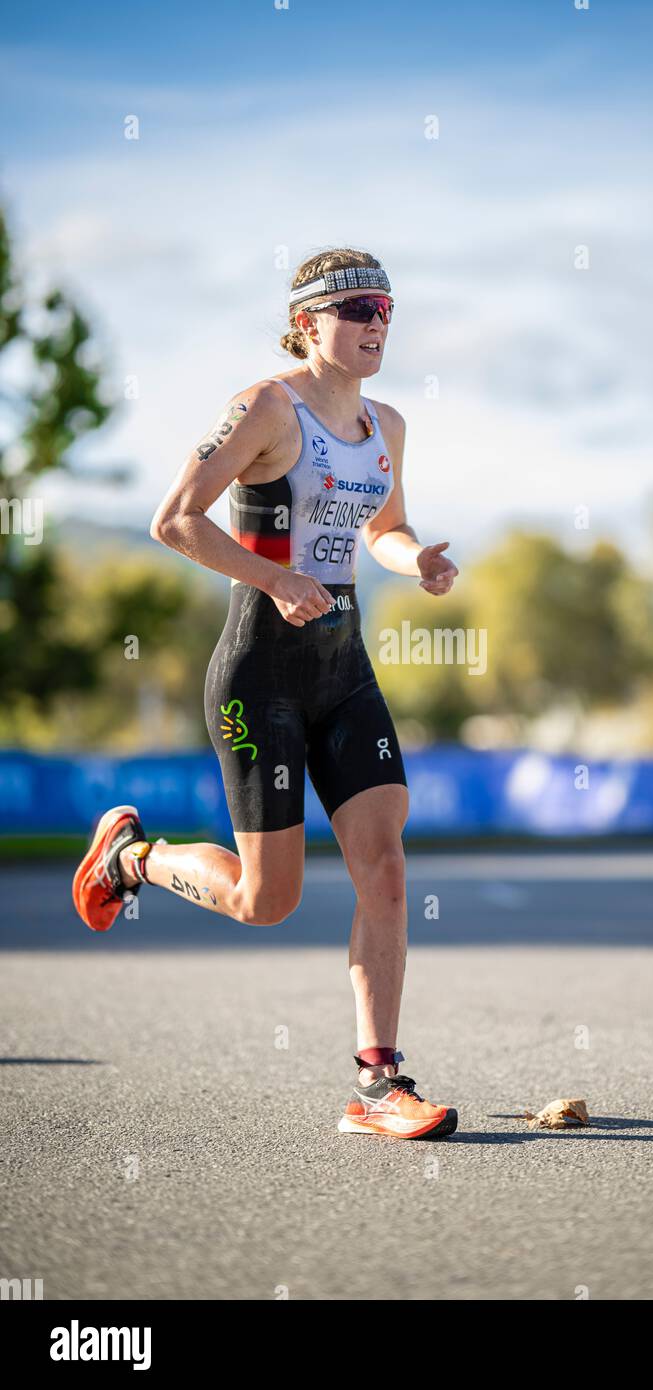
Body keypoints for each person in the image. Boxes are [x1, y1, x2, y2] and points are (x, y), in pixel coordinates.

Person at [72, 248, 460, 1140]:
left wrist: (417, 559)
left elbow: (385, 527)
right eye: (358, 307)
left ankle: (378, 1085)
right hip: (260, 675)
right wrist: (276, 579)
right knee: (266, 900)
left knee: (386, 864)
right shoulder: (264, 407)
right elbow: (174, 520)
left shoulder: (387, 423)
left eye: (388, 310)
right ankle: (133, 857)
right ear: (307, 322)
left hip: (343, 666)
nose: (377, 323)